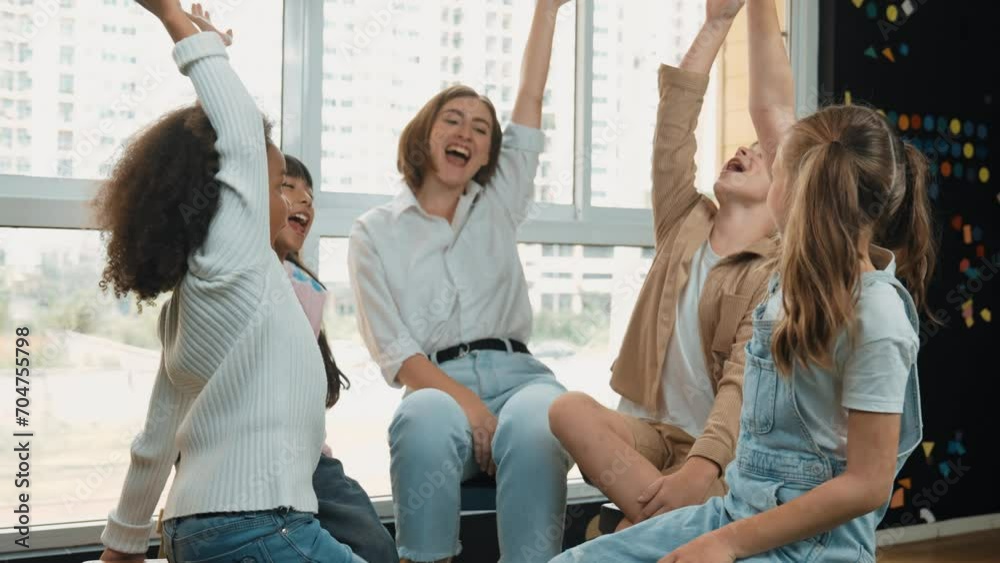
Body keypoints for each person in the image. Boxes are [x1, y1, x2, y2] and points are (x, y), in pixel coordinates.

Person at [550, 1, 935, 561]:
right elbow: (771, 101)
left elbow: (869, 485)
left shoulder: (875, 315)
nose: (764, 156)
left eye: (777, 163)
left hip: (809, 546)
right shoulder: (797, 270)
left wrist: (723, 543)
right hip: (735, 512)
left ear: (799, 192)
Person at [95, 3, 362, 562]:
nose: (286, 200)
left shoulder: (193, 301)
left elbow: (158, 437)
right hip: (263, 527)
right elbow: (238, 127)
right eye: (274, 186)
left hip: (196, 534)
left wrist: (122, 545)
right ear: (229, 195)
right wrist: (178, 22)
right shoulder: (239, 259)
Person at [347, 1, 574, 561]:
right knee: (420, 418)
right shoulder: (373, 232)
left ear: (488, 155)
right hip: (437, 382)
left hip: (521, 376)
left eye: (480, 129)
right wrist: (470, 406)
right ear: (424, 133)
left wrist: (546, 10)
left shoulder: (499, 204)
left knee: (540, 422)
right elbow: (399, 354)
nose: (466, 132)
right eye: (453, 119)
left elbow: (529, 102)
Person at [548, 0, 781, 529]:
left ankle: (638, 526)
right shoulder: (685, 221)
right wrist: (716, 23)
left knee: (642, 527)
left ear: (784, 194)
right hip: (649, 437)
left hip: (717, 457)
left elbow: (741, 382)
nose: (744, 151)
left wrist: (703, 466)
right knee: (566, 410)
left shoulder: (771, 273)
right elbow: (673, 128)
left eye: (760, 155)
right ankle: (662, 525)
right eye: (743, 147)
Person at [276, 154, 400, 563]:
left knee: (374, 545)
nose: (304, 202)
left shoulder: (304, 287)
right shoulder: (232, 278)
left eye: (310, 196)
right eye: (288, 188)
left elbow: (308, 391)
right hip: (254, 461)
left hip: (307, 456)